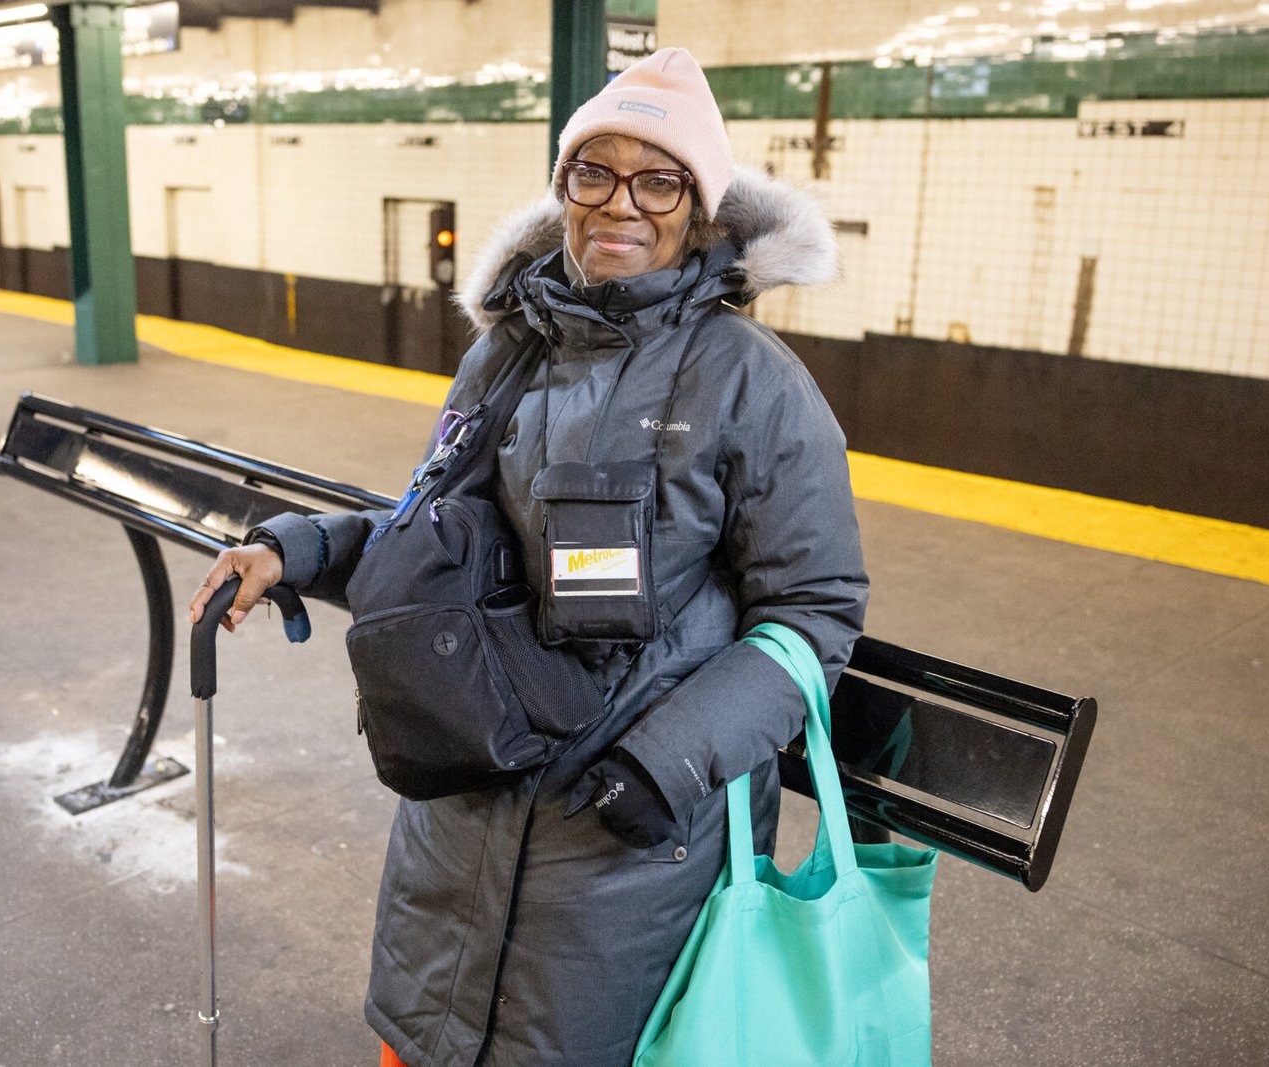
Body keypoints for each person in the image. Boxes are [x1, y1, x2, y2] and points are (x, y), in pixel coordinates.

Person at [190, 48, 868, 1067]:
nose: (620, 204)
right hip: (460, 809)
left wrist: (667, 758)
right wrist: (295, 549)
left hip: (627, 846)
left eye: (658, 178)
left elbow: (813, 611)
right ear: (562, 189)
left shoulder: (753, 384)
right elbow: (435, 535)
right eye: (593, 170)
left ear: (698, 206)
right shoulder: (506, 348)